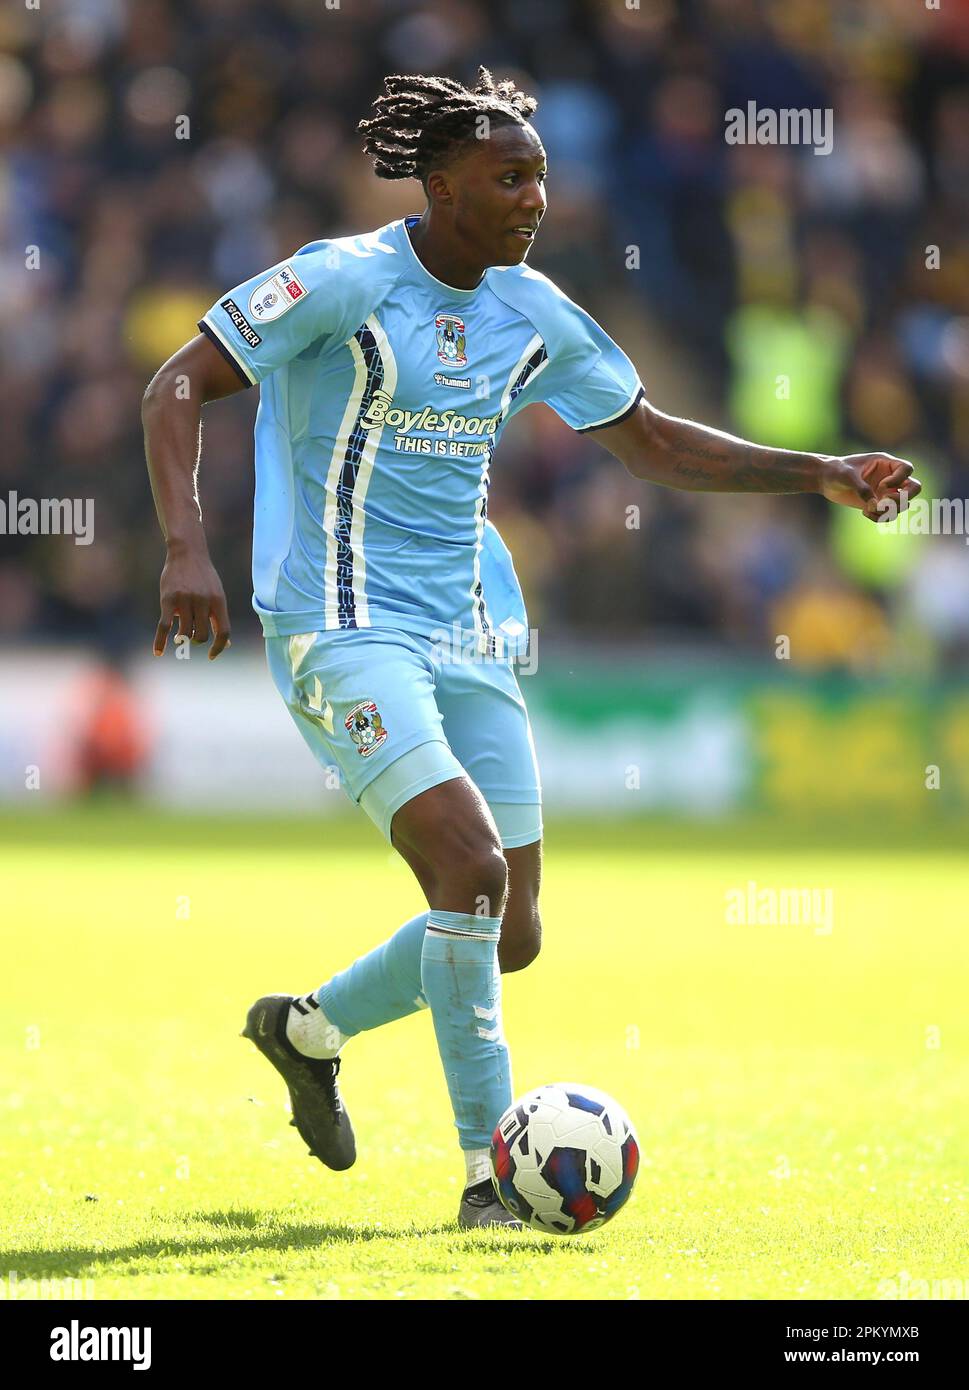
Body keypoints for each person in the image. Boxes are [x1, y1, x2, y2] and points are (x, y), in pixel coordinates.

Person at [142, 68, 919, 1227]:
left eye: (542, 178)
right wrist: (184, 550)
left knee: (509, 929)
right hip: (340, 623)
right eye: (509, 178)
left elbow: (652, 443)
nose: (534, 199)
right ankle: (485, 1179)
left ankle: (307, 1030)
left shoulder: (532, 309)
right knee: (467, 870)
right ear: (441, 182)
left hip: (468, 621)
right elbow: (175, 385)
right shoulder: (344, 279)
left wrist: (820, 472)